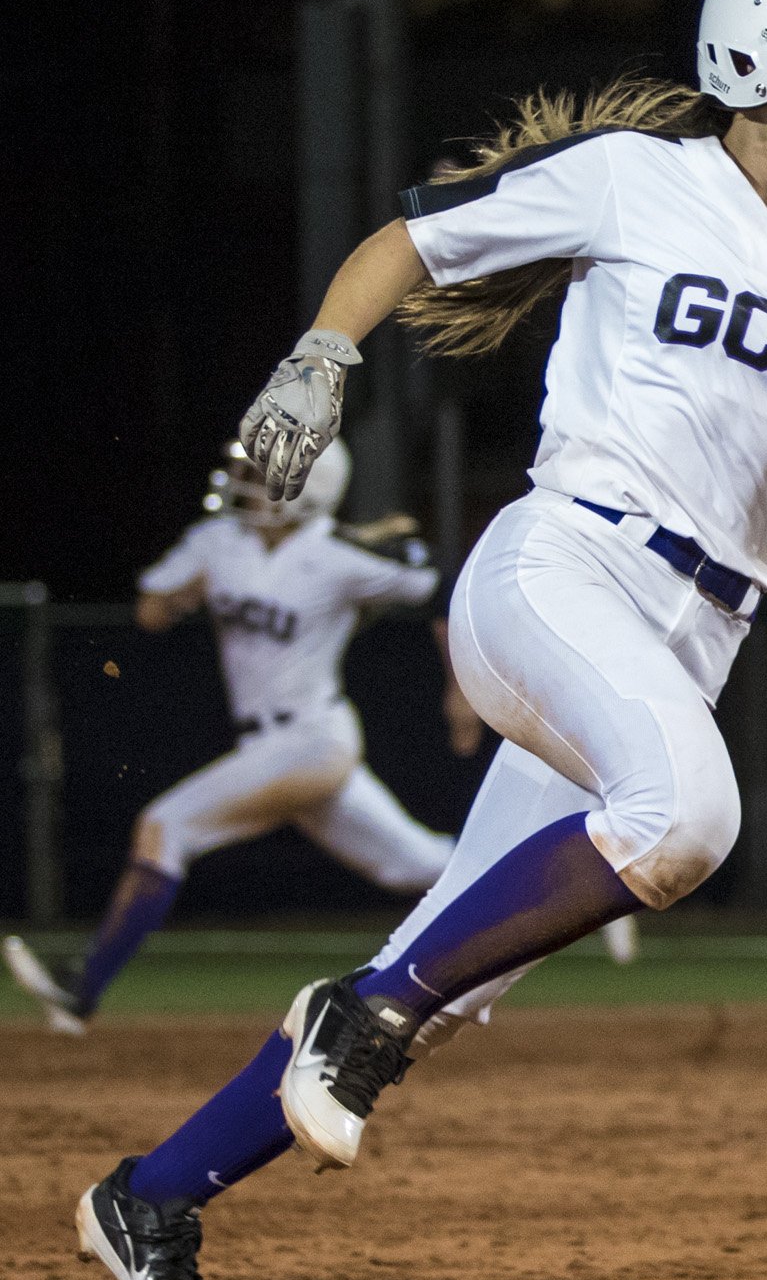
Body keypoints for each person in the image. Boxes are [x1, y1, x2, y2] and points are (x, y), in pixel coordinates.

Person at [74, 0, 767, 1280]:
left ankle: (153, 1196)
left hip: (697, 636)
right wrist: (319, 361)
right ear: (750, 50)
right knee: (686, 822)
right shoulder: (637, 177)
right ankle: (352, 1020)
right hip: (561, 568)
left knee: (439, 983)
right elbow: (410, 242)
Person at [4, 438, 480, 1031]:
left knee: (164, 826)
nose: (248, 482)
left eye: (263, 473)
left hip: (313, 740)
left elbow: (450, 589)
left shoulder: (335, 554)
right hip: (271, 747)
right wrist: (176, 595)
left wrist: (461, 688)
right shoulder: (220, 542)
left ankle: (82, 990)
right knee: (418, 863)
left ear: (310, 487)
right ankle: (556, 865)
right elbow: (149, 613)